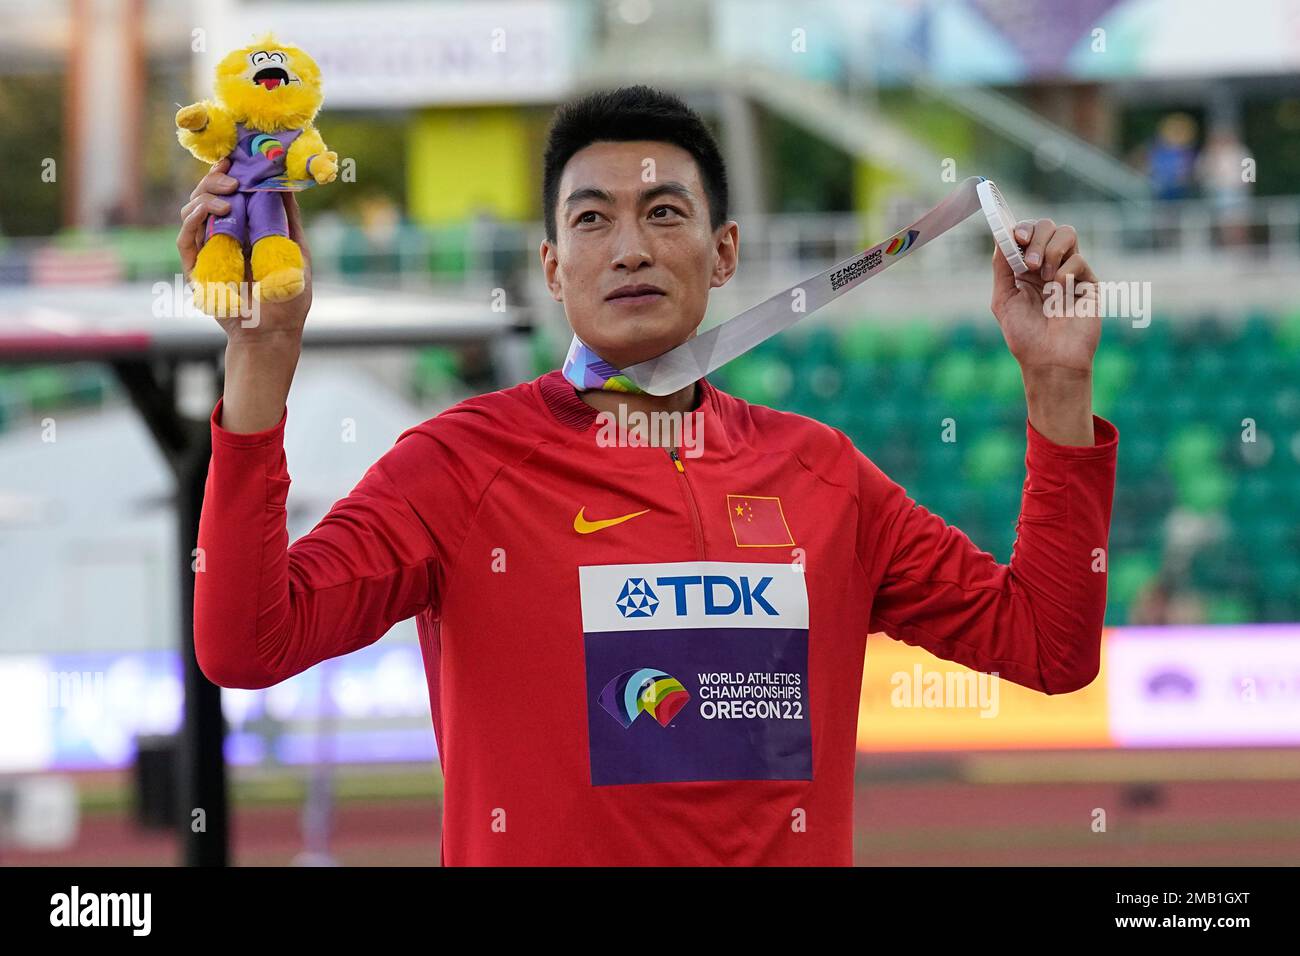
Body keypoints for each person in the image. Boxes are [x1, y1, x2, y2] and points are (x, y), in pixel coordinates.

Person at [177, 85, 1118, 866]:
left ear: (724, 253)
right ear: (553, 266)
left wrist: (1057, 382)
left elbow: (1048, 645)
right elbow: (246, 645)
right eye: (593, 220)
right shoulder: (459, 466)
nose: (629, 247)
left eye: (665, 212)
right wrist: (260, 360)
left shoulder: (823, 476)